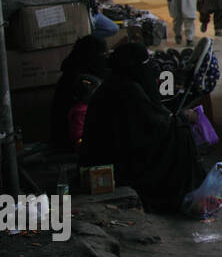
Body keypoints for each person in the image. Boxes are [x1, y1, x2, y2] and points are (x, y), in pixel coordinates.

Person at [81, 42, 205, 214]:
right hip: (119, 162)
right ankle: (181, 195)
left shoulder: (116, 83)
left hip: (111, 153)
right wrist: (183, 117)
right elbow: (153, 127)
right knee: (181, 134)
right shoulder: (126, 89)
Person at [49, 35, 107, 148]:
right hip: (73, 140)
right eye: (102, 55)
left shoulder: (75, 68)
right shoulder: (80, 80)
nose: (104, 58)